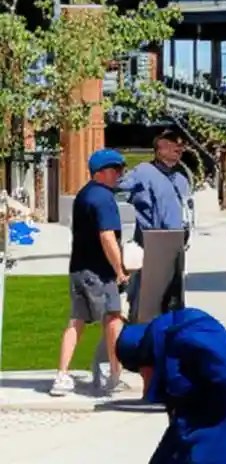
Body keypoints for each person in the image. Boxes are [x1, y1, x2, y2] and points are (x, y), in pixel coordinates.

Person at [115, 307, 226, 464]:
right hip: (223, 394)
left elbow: (174, 387)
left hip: (198, 412)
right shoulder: (175, 328)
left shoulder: (166, 344)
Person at [51, 149, 130, 397]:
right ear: (100, 173)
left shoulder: (84, 195)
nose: (119, 174)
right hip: (99, 272)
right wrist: (120, 270)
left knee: (77, 320)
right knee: (114, 319)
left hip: (78, 268)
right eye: (115, 170)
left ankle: (61, 376)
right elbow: (107, 237)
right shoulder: (104, 199)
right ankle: (115, 377)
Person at [120, 129, 193, 315]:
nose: (179, 147)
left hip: (177, 243)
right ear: (159, 149)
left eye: (180, 145)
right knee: (148, 297)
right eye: (172, 144)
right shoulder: (143, 172)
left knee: (174, 296)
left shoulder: (181, 179)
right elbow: (117, 186)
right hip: (151, 243)